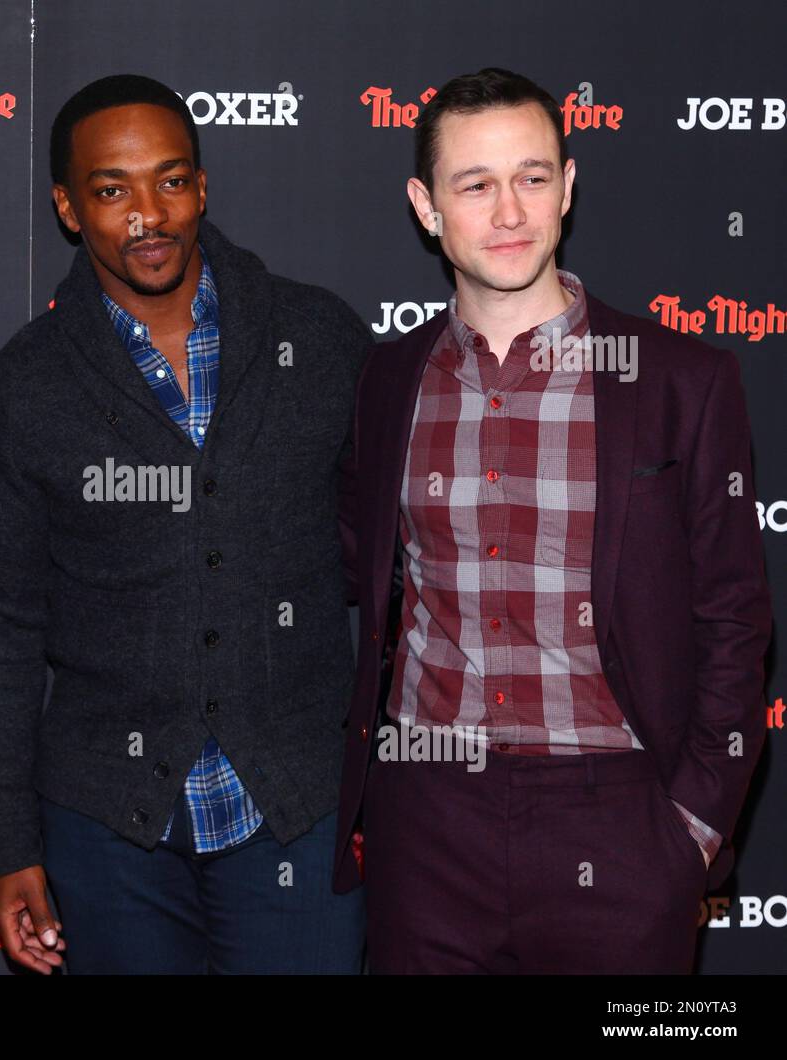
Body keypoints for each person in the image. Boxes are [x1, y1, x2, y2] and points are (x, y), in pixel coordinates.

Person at [331, 67, 772, 974]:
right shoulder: (387, 382)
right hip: (429, 822)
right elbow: (362, 577)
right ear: (426, 206)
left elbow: (735, 619)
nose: (508, 212)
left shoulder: (681, 380)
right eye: (475, 184)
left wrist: (690, 829)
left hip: (621, 815)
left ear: (568, 185)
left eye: (532, 177)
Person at [0, 74, 372, 975]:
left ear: (203, 187)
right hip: (107, 825)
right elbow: (4, 630)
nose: (148, 215)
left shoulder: (319, 340)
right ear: (69, 209)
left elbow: (394, 568)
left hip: (297, 809)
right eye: (112, 190)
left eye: (171, 180)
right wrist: (9, 841)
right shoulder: (22, 390)